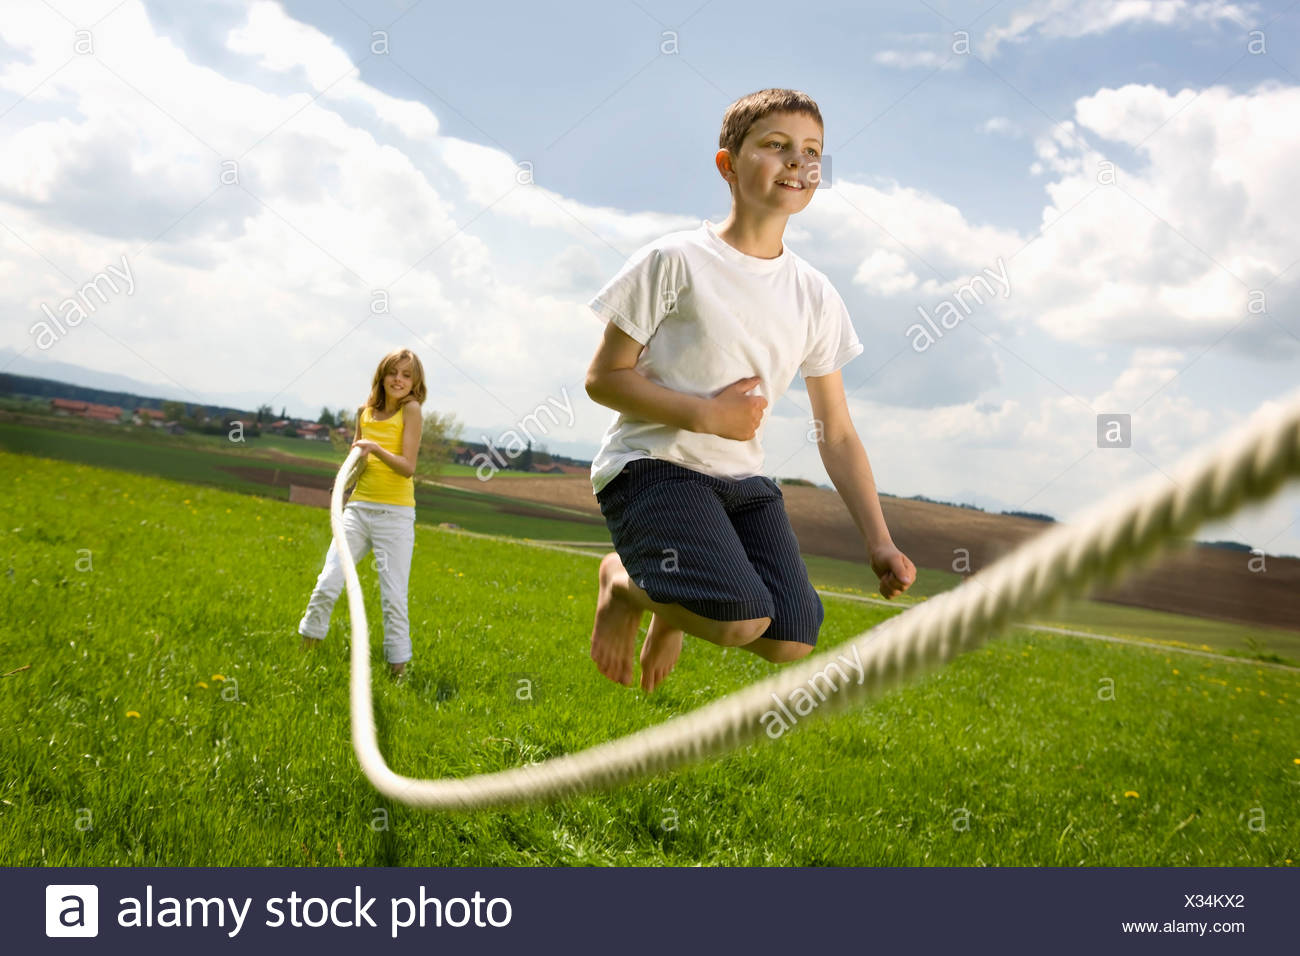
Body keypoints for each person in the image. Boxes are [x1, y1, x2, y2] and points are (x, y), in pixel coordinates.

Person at [584, 88, 916, 694]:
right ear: (727, 164)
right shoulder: (674, 259)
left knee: (792, 636)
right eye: (776, 145)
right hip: (654, 468)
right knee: (738, 619)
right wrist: (708, 415)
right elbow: (603, 378)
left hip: (742, 485)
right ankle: (625, 584)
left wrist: (880, 541)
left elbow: (836, 430)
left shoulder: (816, 294)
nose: (798, 161)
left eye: (812, 151)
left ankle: (674, 601)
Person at [298, 348, 425, 677]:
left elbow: (407, 467)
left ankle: (398, 672)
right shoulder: (364, 413)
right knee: (327, 582)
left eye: (406, 375)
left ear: (415, 382)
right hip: (357, 511)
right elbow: (358, 460)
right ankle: (306, 653)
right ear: (382, 375)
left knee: (393, 596)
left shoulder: (411, 411)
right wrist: (341, 487)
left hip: (395, 517)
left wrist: (376, 449)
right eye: (393, 372)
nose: (399, 379)